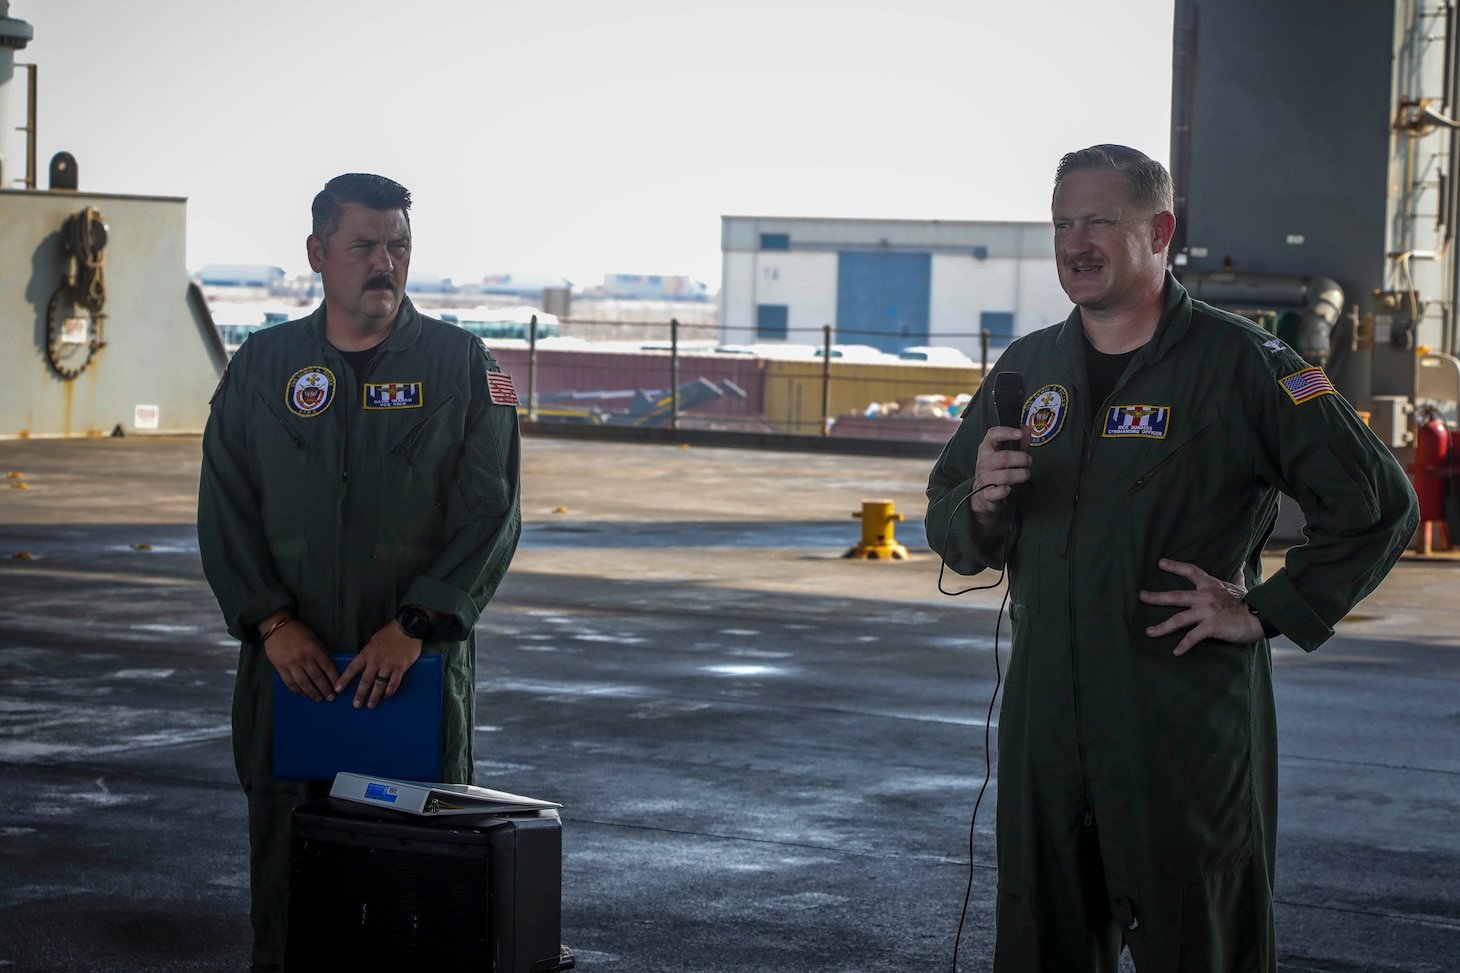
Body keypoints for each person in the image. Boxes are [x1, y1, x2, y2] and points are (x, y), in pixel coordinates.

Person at [926, 145, 1418, 971]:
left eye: (1099, 221)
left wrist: (1264, 611)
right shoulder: (1027, 368)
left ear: (1160, 230)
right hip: (1046, 723)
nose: (1075, 242)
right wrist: (978, 502)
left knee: (1200, 937)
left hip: (1179, 724)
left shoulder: (1247, 365)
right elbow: (948, 521)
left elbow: (1378, 505)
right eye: (1061, 222)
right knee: (1040, 935)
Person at [197, 172, 522, 972]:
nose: (386, 261)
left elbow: (491, 515)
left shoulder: (463, 366)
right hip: (289, 676)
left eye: (399, 245)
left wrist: (415, 626)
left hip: (408, 676)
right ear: (317, 253)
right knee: (286, 878)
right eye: (365, 244)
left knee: (418, 882)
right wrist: (271, 622)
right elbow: (224, 507)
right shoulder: (261, 366)